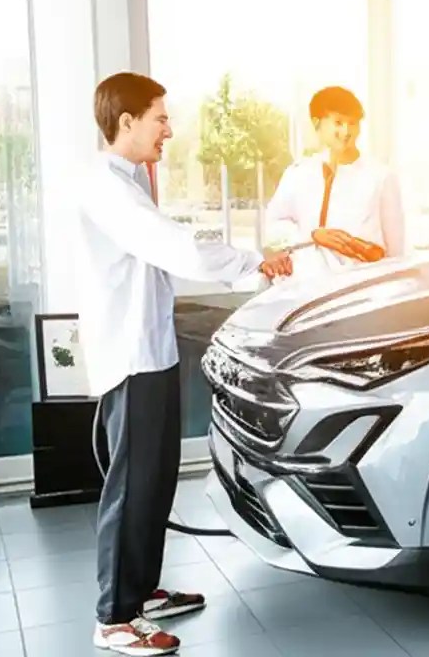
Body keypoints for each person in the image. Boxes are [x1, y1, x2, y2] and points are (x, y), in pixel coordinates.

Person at [77, 72, 293, 655]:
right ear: (126, 121)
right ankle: (115, 618)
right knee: (133, 484)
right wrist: (255, 262)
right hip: (130, 354)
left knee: (155, 477)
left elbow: (163, 260)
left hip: (152, 348)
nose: (169, 129)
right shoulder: (108, 186)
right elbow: (175, 246)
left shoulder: (131, 180)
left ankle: (141, 591)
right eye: (160, 117)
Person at [264, 86, 405, 278]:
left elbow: (397, 249)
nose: (346, 131)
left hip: (360, 288)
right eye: (338, 122)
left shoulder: (380, 177)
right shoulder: (298, 174)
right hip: (306, 287)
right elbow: (273, 226)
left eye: (353, 123)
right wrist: (312, 235)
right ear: (317, 124)